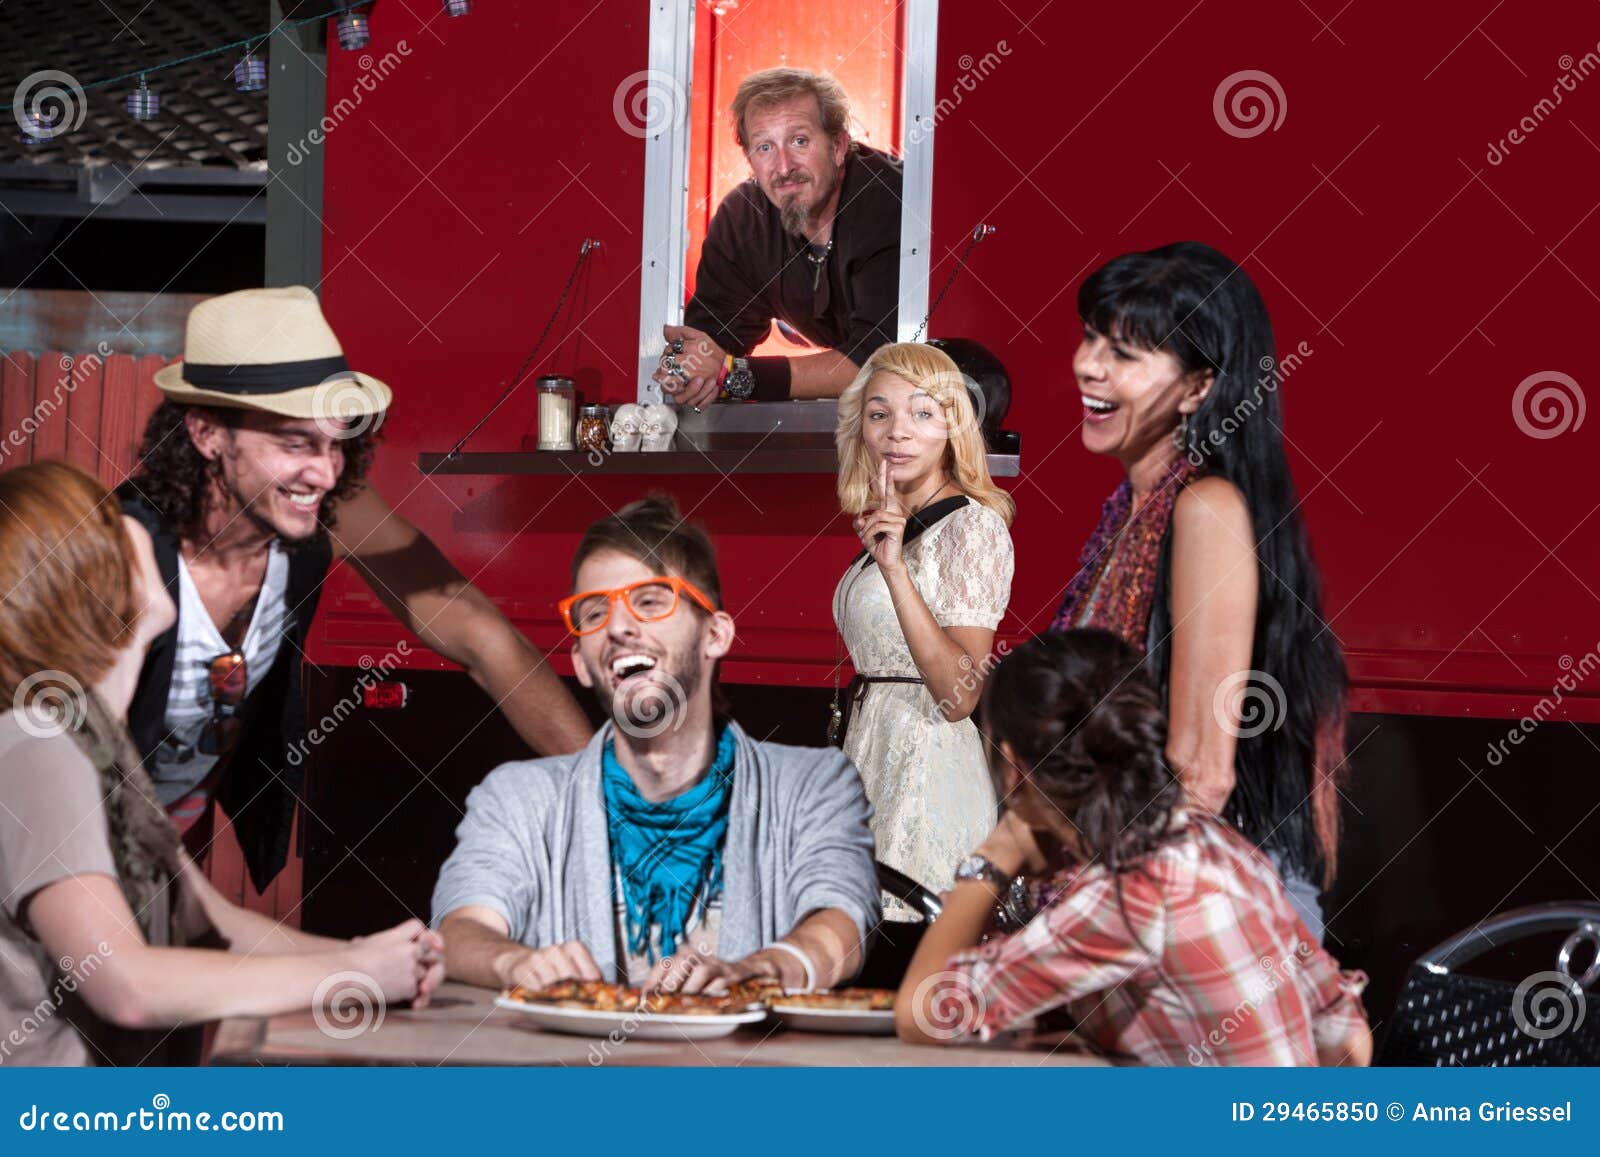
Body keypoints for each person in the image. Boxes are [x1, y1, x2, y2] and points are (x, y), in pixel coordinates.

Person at [121, 286, 594, 893]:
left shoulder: (322, 510)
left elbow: (479, 634)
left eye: (335, 441)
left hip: (156, 857)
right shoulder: (117, 555)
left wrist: (609, 798)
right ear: (208, 433)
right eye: (294, 442)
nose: (324, 472)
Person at [0, 461, 443, 1067]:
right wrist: (355, 975)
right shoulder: (39, 749)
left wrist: (371, 959)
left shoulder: (98, 748)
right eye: (111, 528)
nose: (139, 530)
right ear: (82, 581)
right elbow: (126, 985)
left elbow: (214, 922)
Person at [432, 495, 880, 992]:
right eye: (594, 613)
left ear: (715, 634)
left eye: (649, 601)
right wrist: (515, 964)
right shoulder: (518, 798)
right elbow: (459, 933)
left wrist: (760, 970)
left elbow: (841, 927)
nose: (619, 628)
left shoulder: (813, 785)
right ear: (580, 662)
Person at [1049, 241, 1348, 940]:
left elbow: (1202, 777)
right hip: (1154, 883)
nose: (1087, 364)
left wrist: (1088, 918)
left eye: (1124, 353)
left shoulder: (1206, 507)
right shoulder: (1133, 511)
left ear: (1196, 389)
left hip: (1205, 909)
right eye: (1091, 337)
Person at [894, 630, 1371, 1067]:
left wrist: (995, 858)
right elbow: (1347, 1036)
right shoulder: (1213, 841)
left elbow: (925, 1013)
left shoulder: (1127, 896)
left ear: (1013, 765)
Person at [831, 342, 1015, 952]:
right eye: (879, 413)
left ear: (952, 428)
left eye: (922, 413)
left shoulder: (973, 526)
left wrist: (895, 573)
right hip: (869, 761)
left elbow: (960, 696)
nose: (897, 431)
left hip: (928, 776)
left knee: (910, 964)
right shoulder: (889, 522)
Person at [655, 68, 901, 407]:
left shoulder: (888, 199)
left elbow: (881, 361)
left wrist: (735, 376)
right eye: (765, 147)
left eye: (799, 141)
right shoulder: (741, 222)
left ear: (838, 146)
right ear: (750, 160)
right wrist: (685, 366)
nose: (784, 167)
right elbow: (711, 342)